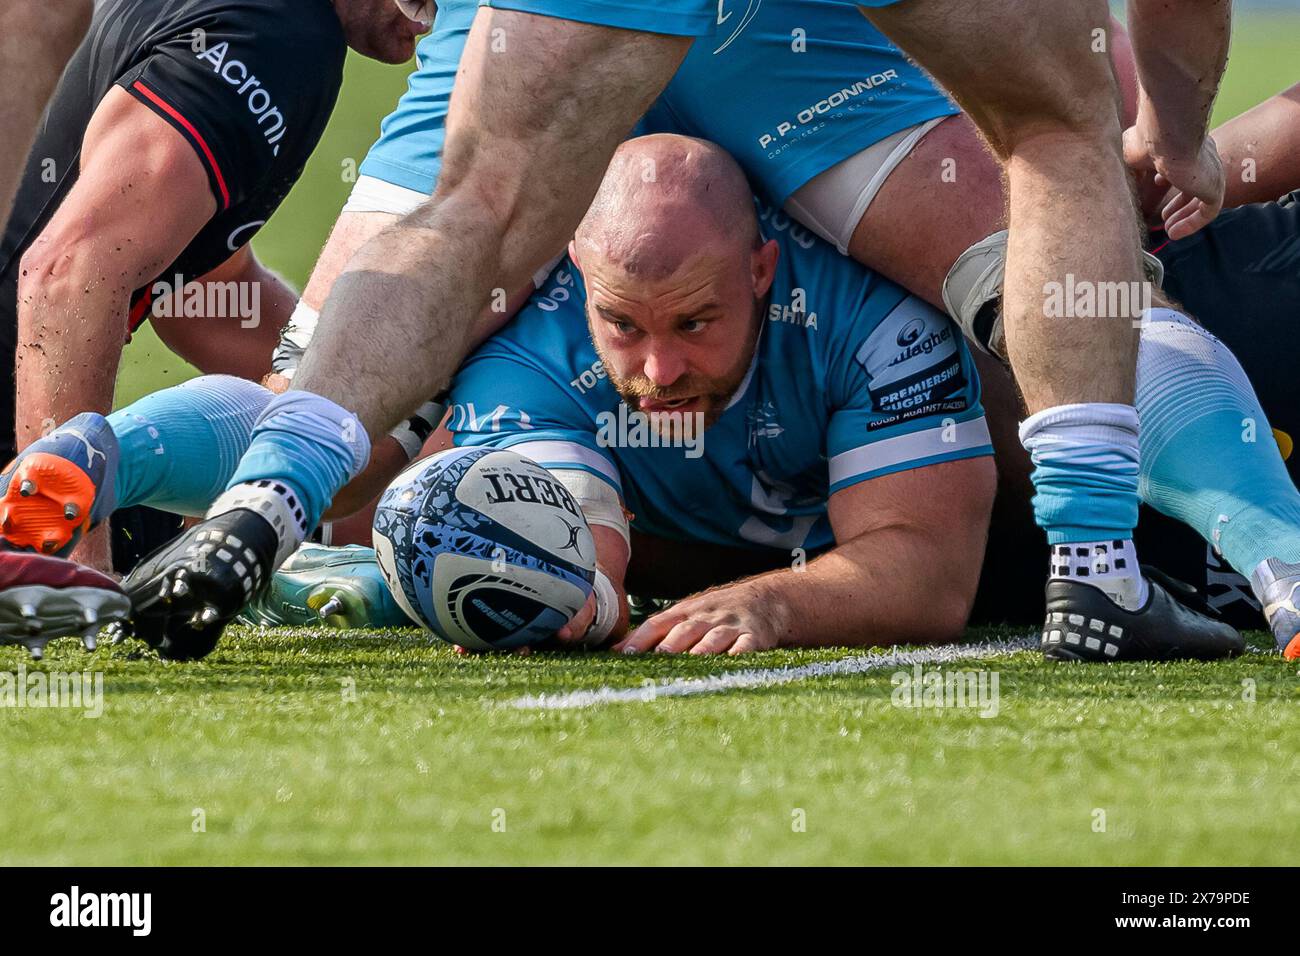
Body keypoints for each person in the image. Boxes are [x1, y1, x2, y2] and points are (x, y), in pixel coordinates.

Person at [0, 0, 427, 571]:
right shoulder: (278, 33)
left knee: (329, 509)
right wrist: (72, 566)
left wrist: (384, 400)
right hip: (23, 484)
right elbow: (68, 273)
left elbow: (202, 297)